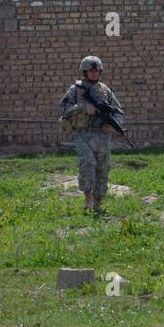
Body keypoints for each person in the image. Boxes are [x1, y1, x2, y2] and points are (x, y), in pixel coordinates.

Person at [60, 55, 122, 214]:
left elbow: (118, 111)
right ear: (84, 72)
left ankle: (98, 202)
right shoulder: (76, 90)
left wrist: (114, 123)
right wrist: (82, 107)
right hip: (83, 134)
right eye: (90, 71)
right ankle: (88, 199)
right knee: (87, 165)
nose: (94, 74)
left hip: (102, 135)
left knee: (103, 168)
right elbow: (64, 109)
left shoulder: (105, 90)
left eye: (96, 71)